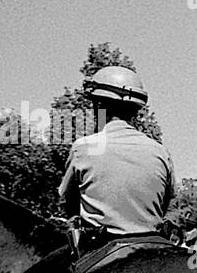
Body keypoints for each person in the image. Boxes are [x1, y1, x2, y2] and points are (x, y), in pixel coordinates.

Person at [57, 66, 175, 255]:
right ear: (136, 109)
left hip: (102, 248)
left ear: (98, 106)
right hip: (156, 244)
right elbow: (164, 205)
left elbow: (69, 202)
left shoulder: (84, 147)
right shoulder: (160, 151)